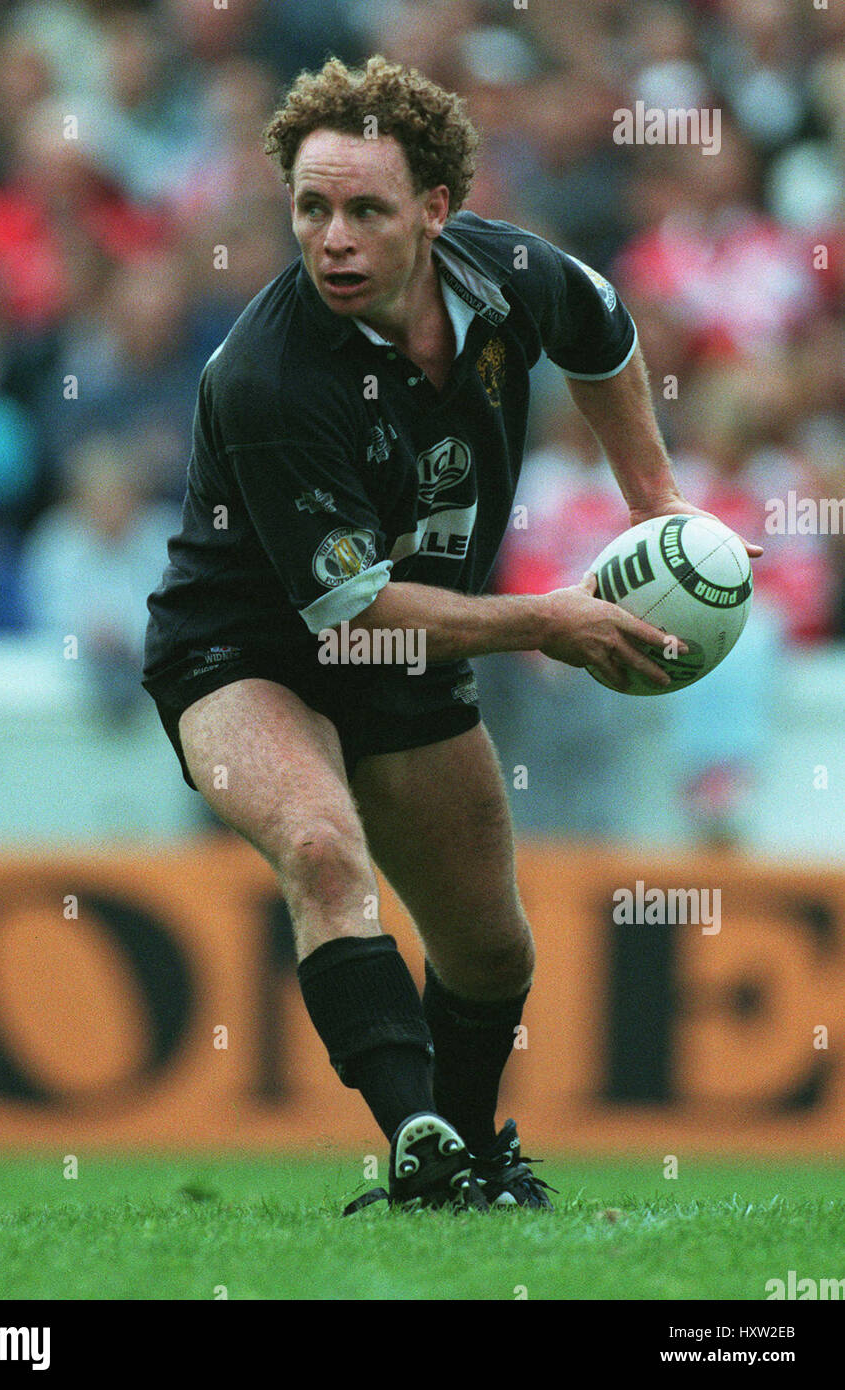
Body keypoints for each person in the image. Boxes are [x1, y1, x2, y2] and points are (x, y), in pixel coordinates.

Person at [142, 55, 759, 1213]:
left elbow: (604, 332)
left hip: (411, 652)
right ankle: (413, 1126)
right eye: (311, 208)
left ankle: (456, 1171)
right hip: (243, 651)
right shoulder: (266, 377)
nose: (333, 237)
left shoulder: (510, 271)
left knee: (490, 953)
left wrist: (657, 505)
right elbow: (352, 609)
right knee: (323, 853)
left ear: (435, 209)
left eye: (366, 209)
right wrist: (549, 621)